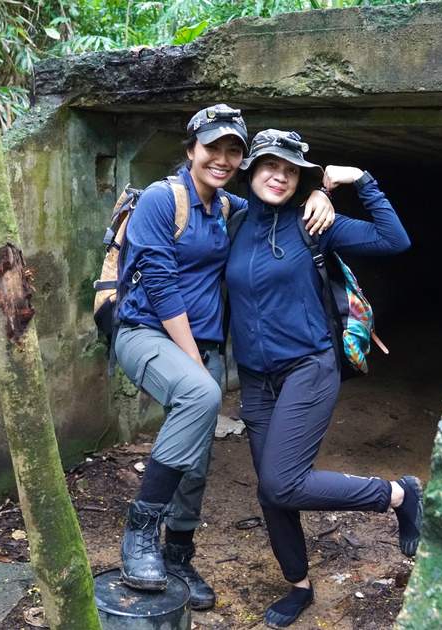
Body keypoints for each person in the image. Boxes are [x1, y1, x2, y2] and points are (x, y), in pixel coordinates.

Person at [113, 107, 335, 611]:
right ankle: (139, 534)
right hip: (147, 332)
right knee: (201, 393)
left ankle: (177, 555)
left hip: (207, 345)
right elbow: (163, 288)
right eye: (213, 147)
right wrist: (194, 363)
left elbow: (275, 203)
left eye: (234, 150)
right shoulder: (159, 199)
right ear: (191, 149)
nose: (223, 158)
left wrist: (321, 192)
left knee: (195, 459)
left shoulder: (229, 209)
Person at [225, 129, 423, 628]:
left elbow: (394, 240)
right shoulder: (232, 218)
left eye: (291, 171)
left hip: (309, 367)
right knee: (272, 492)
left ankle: (398, 495)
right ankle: (299, 586)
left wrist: (360, 179)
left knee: (282, 479)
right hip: (255, 377)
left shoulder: (315, 222)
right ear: (251, 170)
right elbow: (193, 191)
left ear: (302, 180)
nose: (280, 176)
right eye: (270, 166)